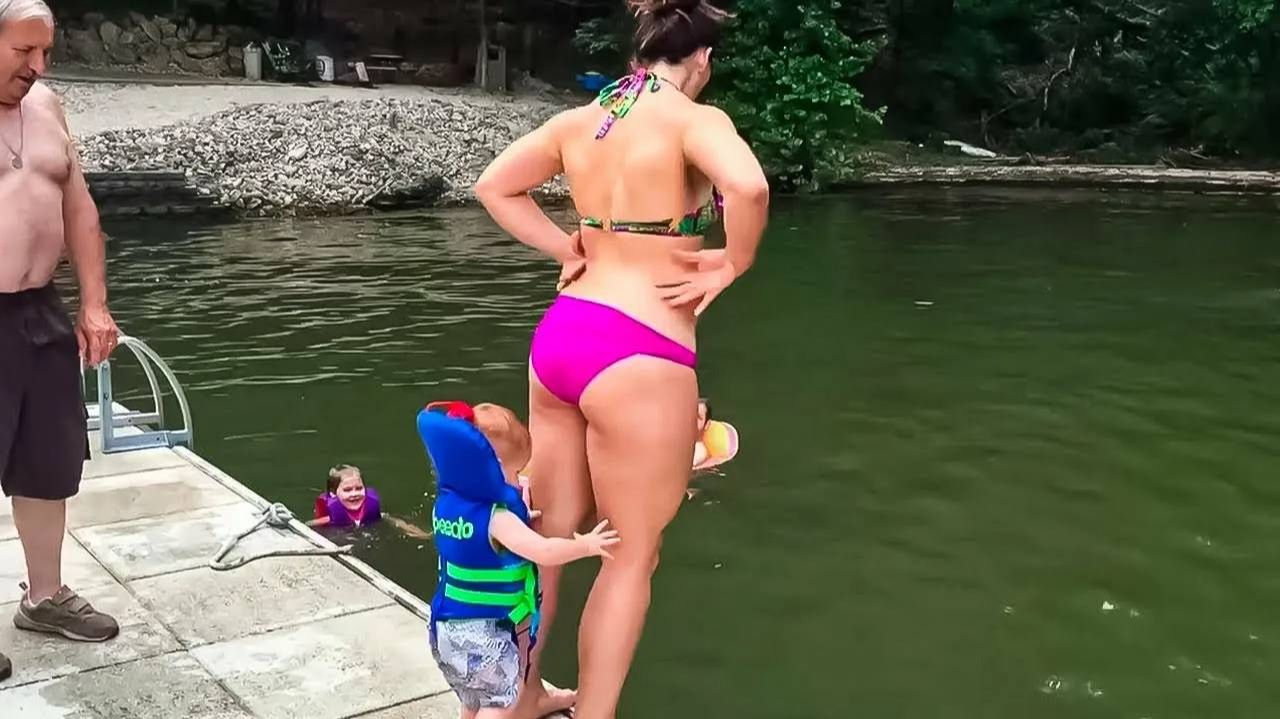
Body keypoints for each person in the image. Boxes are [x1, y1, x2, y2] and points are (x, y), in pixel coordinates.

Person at [473, 1, 769, 715]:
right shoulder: (696, 120)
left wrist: (564, 247)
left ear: (642, 54)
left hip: (563, 336)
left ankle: (523, 695)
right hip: (639, 349)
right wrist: (734, 261)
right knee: (630, 554)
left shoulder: (582, 121)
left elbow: (494, 186)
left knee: (550, 535)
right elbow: (750, 187)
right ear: (702, 60)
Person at [0, 0, 121, 684]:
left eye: (45, 52)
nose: (38, 67)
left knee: (48, 459)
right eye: (23, 51)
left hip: (39, 309)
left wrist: (94, 302)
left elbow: (78, 205)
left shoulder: (47, 106)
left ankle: (43, 597)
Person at [418, 401, 619, 719]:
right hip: (484, 634)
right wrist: (584, 546)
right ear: (493, 469)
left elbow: (481, 543)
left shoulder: (445, 506)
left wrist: (519, 520)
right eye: (515, 473)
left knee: (473, 698)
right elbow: (543, 552)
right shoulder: (497, 519)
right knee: (499, 704)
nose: (516, 482)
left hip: (445, 629)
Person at [308, 463, 431, 540]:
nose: (354, 494)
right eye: (347, 490)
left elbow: (387, 517)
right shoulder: (329, 517)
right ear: (333, 494)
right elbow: (309, 525)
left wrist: (408, 528)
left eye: (359, 488)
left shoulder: (369, 507)